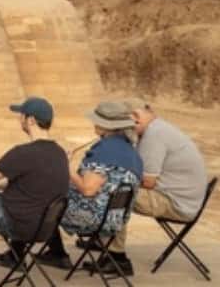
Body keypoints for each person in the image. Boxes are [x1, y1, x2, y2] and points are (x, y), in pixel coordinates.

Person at [0, 97, 69, 282]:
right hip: (42, 228)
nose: (20, 120)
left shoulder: (25, 152)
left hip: (14, 222)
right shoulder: (59, 152)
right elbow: (23, 181)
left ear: (31, 120)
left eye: (21, 116)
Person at [100, 98, 208, 276]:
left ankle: (116, 257)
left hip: (176, 203)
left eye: (127, 124)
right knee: (115, 186)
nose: (128, 129)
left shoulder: (154, 135)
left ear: (135, 117)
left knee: (115, 193)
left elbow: (148, 182)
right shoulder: (158, 128)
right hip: (184, 198)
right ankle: (104, 240)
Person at [35, 101, 142, 274]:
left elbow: (88, 189)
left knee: (43, 196)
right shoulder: (130, 151)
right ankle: (55, 253)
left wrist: (65, 165)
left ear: (106, 126)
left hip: (93, 219)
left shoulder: (105, 150)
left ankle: (55, 253)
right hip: (116, 220)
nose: (94, 124)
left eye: (97, 121)